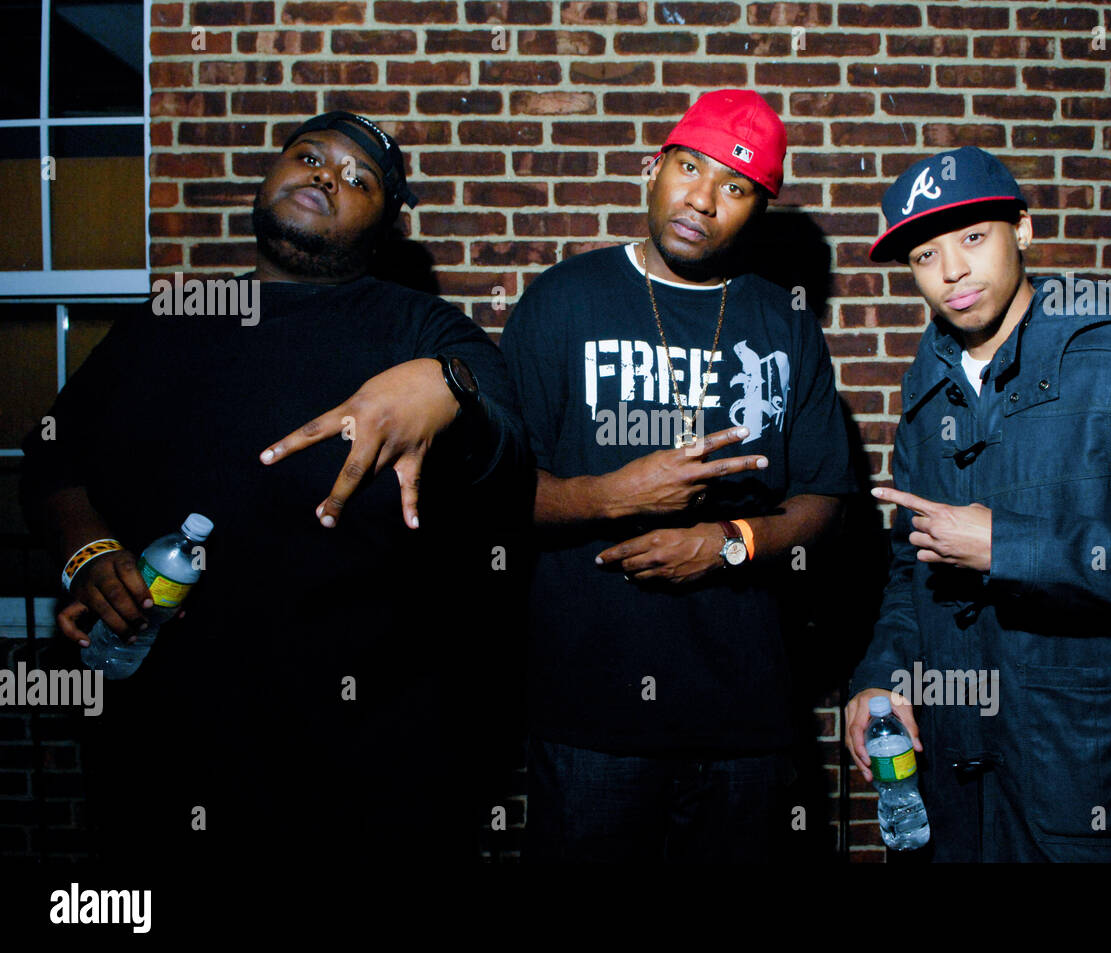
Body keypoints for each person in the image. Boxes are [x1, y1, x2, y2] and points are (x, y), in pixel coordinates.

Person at [21, 111, 529, 867]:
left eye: (359, 180)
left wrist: (444, 387)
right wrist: (86, 549)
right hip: (167, 746)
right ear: (272, 174)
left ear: (383, 228)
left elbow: (508, 463)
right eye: (310, 156)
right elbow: (54, 457)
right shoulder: (173, 317)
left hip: (365, 766)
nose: (326, 176)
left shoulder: (423, 327)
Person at [844, 146, 1111, 862]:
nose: (951, 270)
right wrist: (881, 673)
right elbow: (908, 565)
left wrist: (1011, 547)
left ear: (1024, 228)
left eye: (973, 237)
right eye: (925, 255)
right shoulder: (924, 395)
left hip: (1092, 786)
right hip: (955, 797)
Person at [498, 90, 858, 862]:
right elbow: (489, 497)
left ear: (757, 209)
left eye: (735, 186)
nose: (703, 199)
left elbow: (826, 494)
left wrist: (729, 541)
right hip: (589, 715)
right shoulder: (563, 301)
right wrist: (611, 494)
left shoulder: (784, 321)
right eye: (689, 169)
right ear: (651, 170)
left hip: (746, 717)